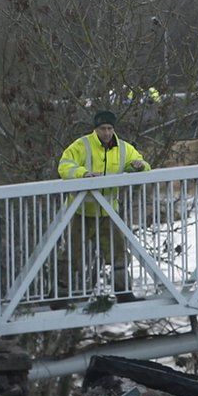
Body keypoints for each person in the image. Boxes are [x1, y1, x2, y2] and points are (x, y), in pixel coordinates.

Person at [56, 109, 151, 305]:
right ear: (95, 129)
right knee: (71, 254)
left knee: (118, 253)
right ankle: (59, 295)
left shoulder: (124, 148)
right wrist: (83, 174)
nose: (106, 133)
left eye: (109, 128)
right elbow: (64, 166)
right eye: (102, 129)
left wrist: (139, 166)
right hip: (80, 211)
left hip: (108, 212)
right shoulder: (82, 145)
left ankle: (123, 293)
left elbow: (144, 166)